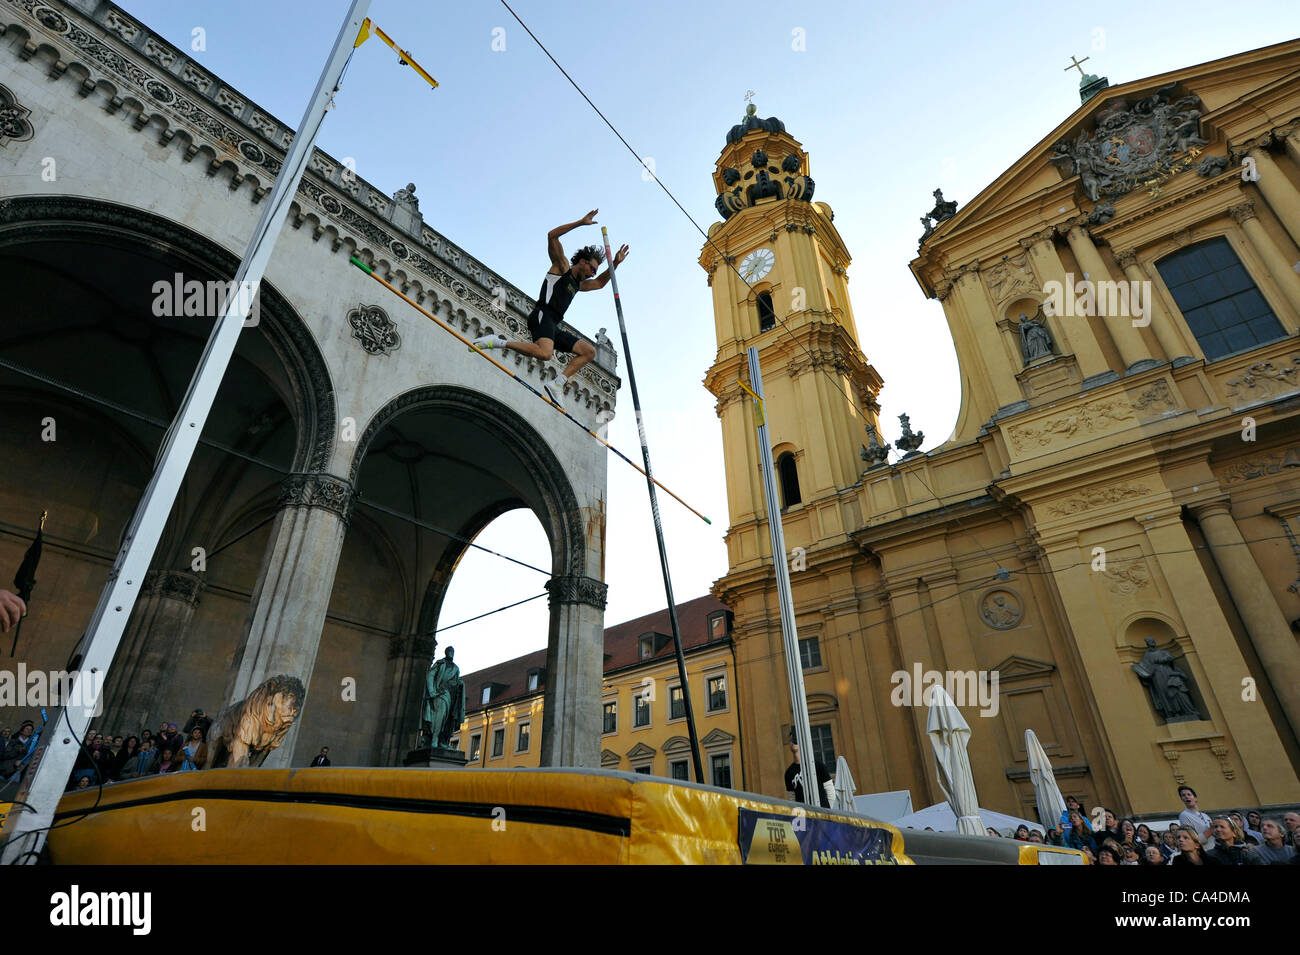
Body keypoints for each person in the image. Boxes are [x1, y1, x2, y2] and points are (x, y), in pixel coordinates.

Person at [472, 210, 628, 407]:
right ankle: (496, 342)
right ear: (582, 261)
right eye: (592, 269)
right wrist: (580, 222)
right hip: (542, 314)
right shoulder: (561, 267)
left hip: (554, 324)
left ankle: (558, 384)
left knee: (588, 352)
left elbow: (599, 283)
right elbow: (551, 235)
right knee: (545, 353)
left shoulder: (579, 284)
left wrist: (615, 264)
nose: (592, 274)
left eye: (595, 271)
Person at [783, 738, 832, 808]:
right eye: (790, 740)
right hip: (804, 815)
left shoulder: (818, 765)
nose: (793, 742)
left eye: (795, 739)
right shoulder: (789, 772)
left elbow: (830, 792)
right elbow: (792, 799)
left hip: (822, 812)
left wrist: (827, 811)